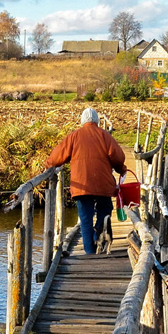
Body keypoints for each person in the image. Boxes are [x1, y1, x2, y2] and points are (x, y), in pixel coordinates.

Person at [45, 107, 127, 254]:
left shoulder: (73, 136)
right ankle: (101, 230)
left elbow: (57, 156)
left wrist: (48, 167)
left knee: (85, 218)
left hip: (81, 185)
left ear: (82, 121)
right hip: (103, 183)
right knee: (105, 208)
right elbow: (118, 157)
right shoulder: (105, 136)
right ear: (96, 121)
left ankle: (89, 251)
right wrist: (122, 169)